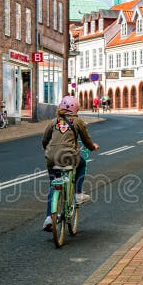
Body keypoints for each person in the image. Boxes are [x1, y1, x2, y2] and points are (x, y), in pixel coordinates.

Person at [40, 95, 99, 231]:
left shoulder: (53, 122)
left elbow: (45, 139)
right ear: (76, 108)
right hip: (69, 157)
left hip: (51, 157)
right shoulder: (78, 121)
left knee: (53, 185)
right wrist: (92, 147)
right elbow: (86, 139)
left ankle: (49, 217)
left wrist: (46, 148)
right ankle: (78, 193)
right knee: (82, 163)